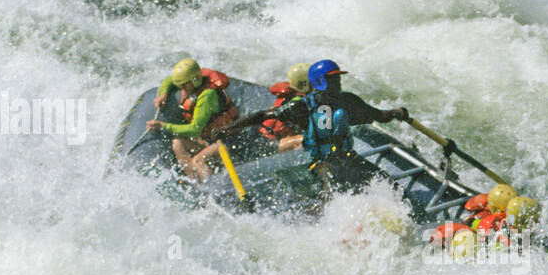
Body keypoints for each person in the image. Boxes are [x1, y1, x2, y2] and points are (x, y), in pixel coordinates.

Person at [266, 59, 409, 195]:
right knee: (329, 187)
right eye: (333, 81)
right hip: (320, 160)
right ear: (318, 82)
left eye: (338, 80)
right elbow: (265, 116)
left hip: (345, 157)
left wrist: (396, 113)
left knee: (390, 187)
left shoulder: (346, 100)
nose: (338, 84)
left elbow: (378, 115)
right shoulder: (301, 105)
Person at [147, 58, 239, 181]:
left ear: (195, 80)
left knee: (199, 160)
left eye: (184, 84)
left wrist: (163, 126)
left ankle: (212, 192)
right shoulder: (189, 80)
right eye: (180, 85)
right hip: (209, 140)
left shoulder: (207, 95)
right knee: (177, 144)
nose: (182, 88)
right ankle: (195, 184)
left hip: (226, 143)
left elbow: (195, 129)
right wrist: (163, 93)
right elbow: (169, 80)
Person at [218, 63, 312, 155]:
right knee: (308, 138)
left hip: (261, 134)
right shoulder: (297, 104)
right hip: (266, 142)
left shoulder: (294, 95)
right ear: (304, 83)